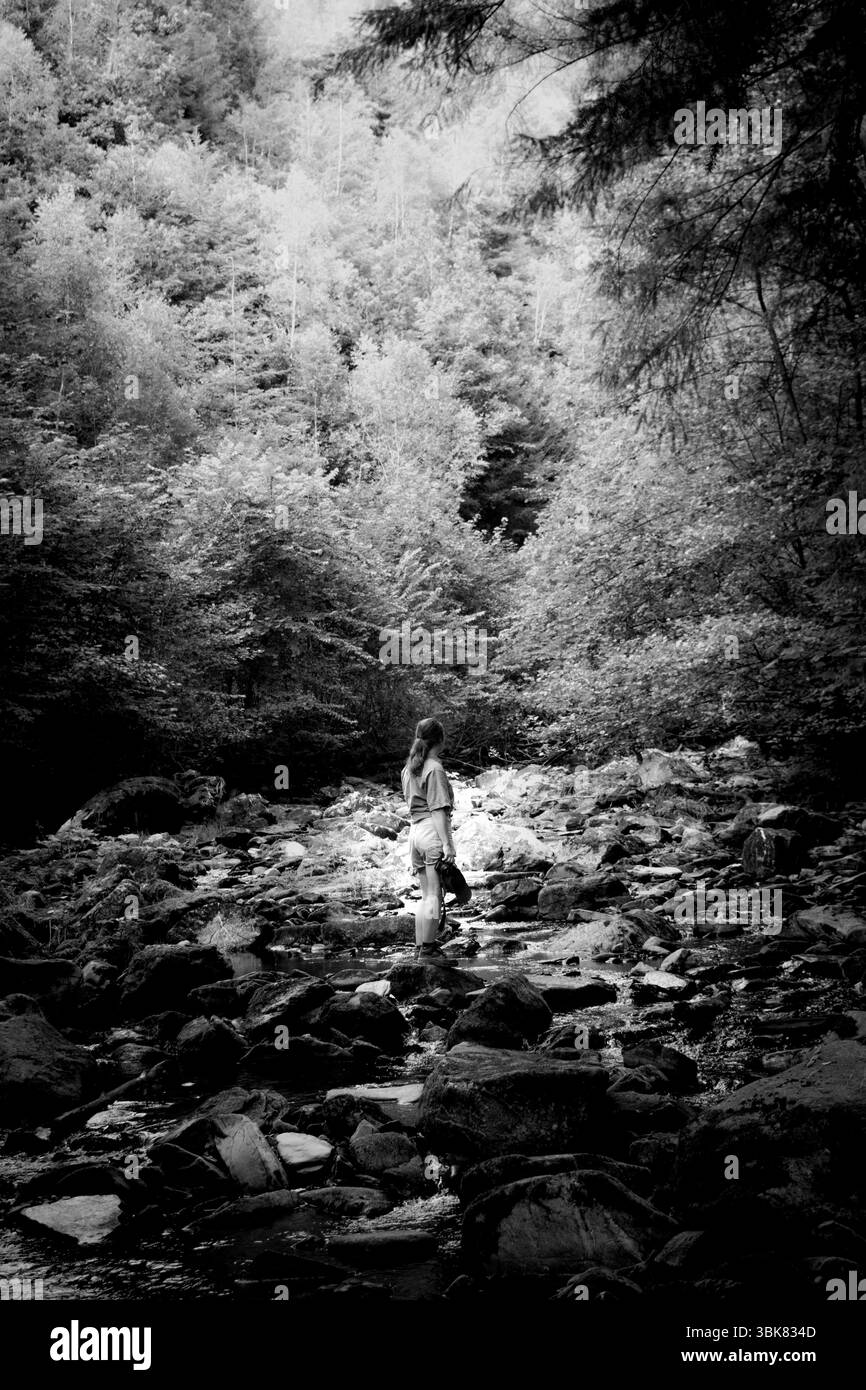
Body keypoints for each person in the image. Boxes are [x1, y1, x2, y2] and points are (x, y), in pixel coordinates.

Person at [401, 717, 456, 958]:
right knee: (435, 894)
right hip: (431, 831)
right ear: (440, 740)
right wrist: (447, 843)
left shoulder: (409, 767)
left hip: (414, 833)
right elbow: (438, 809)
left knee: (426, 895)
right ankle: (429, 948)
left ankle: (420, 946)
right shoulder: (434, 768)